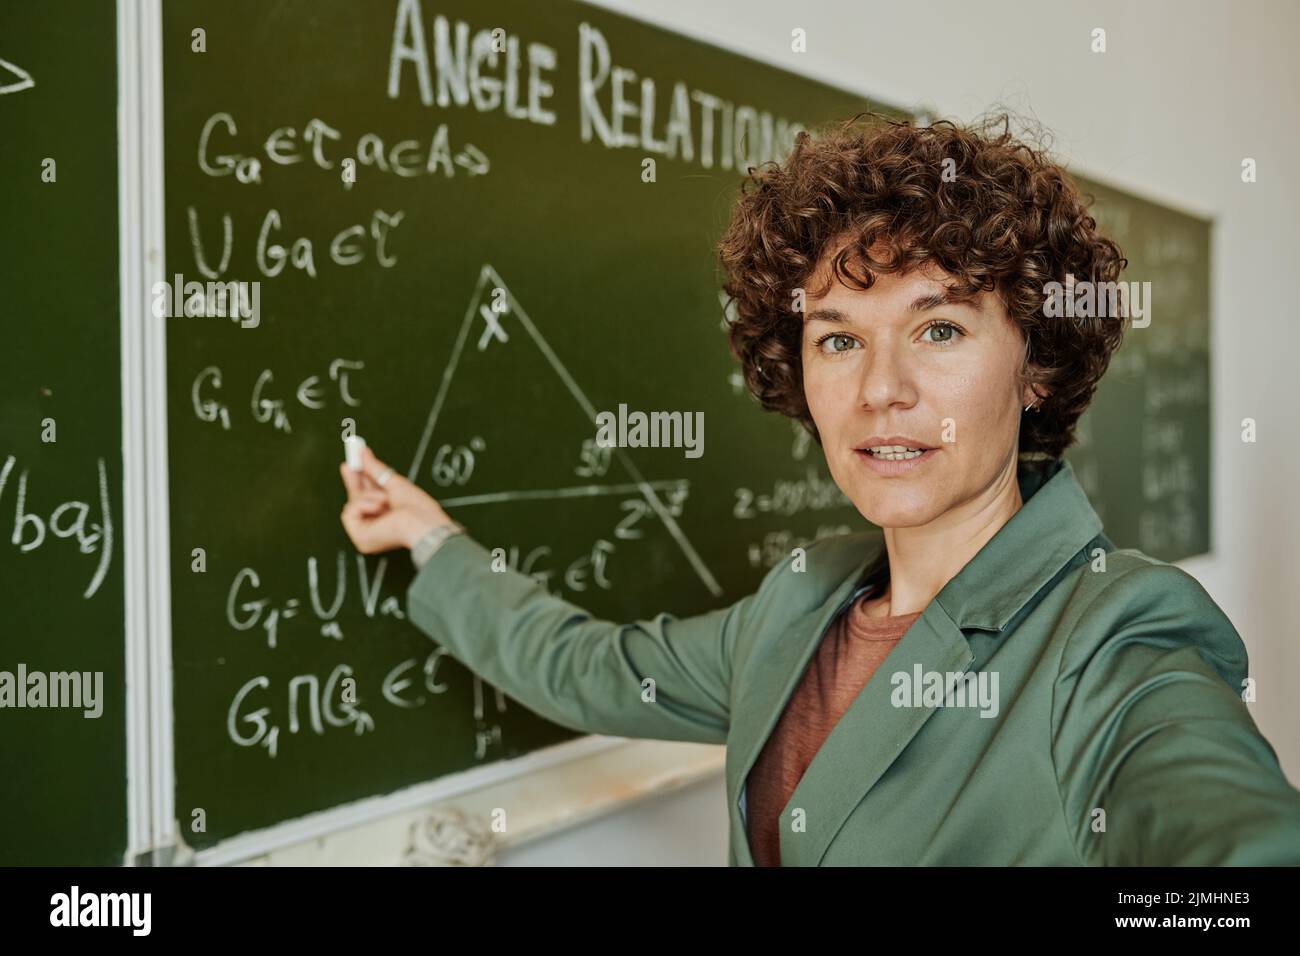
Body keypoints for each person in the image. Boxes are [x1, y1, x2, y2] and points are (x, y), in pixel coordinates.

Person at [339, 113, 1300, 866]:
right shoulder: (797, 607)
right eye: (839, 338)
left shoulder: (1119, 636)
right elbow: (584, 665)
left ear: (1037, 361)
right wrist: (430, 540)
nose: (881, 389)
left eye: (939, 329)